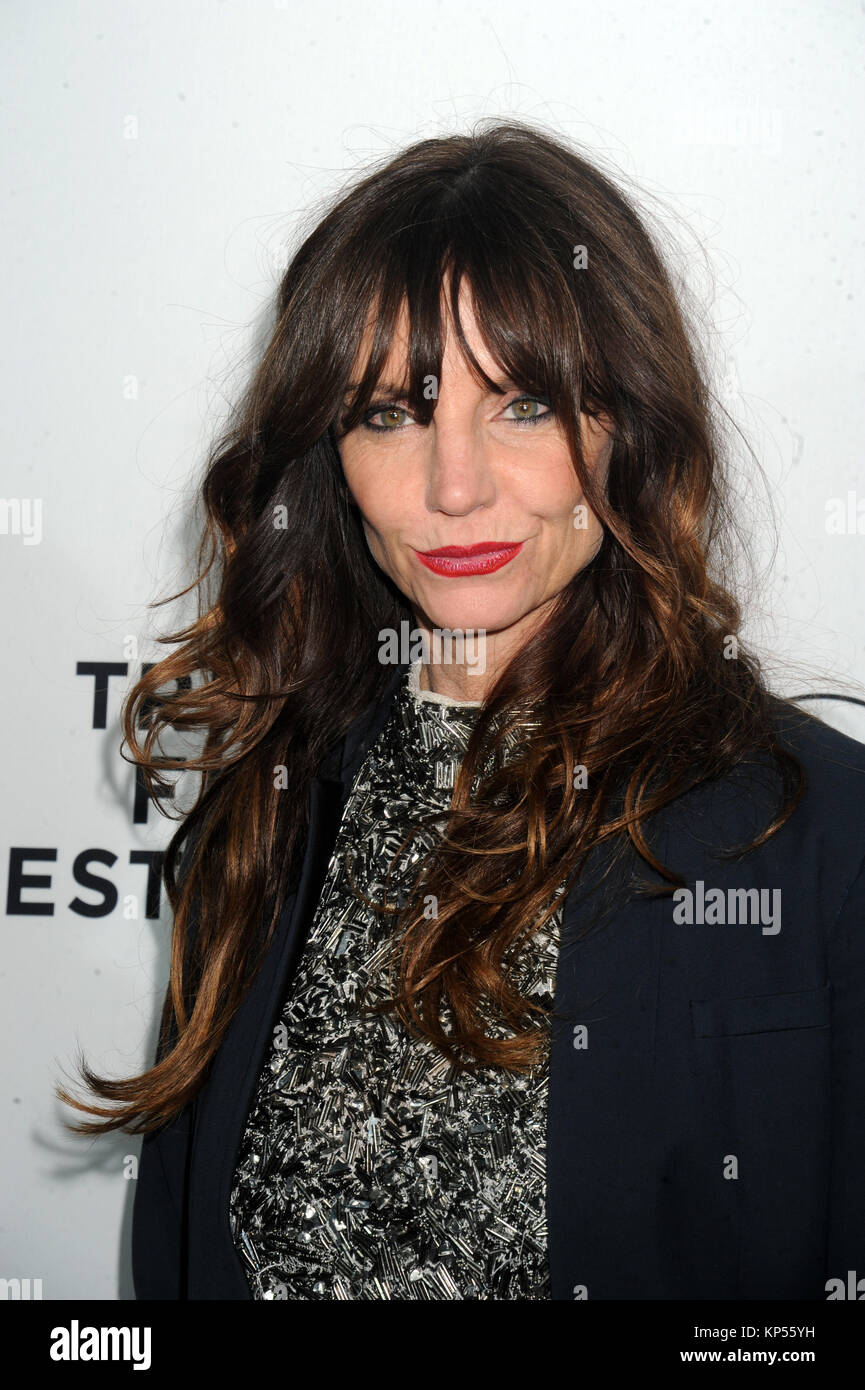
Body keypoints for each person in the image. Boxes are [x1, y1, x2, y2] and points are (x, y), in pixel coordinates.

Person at [59, 119, 865, 1300]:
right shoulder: (272, 802)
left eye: (522, 404)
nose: (452, 486)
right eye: (389, 413)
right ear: (328, 452)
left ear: (627, 425)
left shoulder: (821, 838)